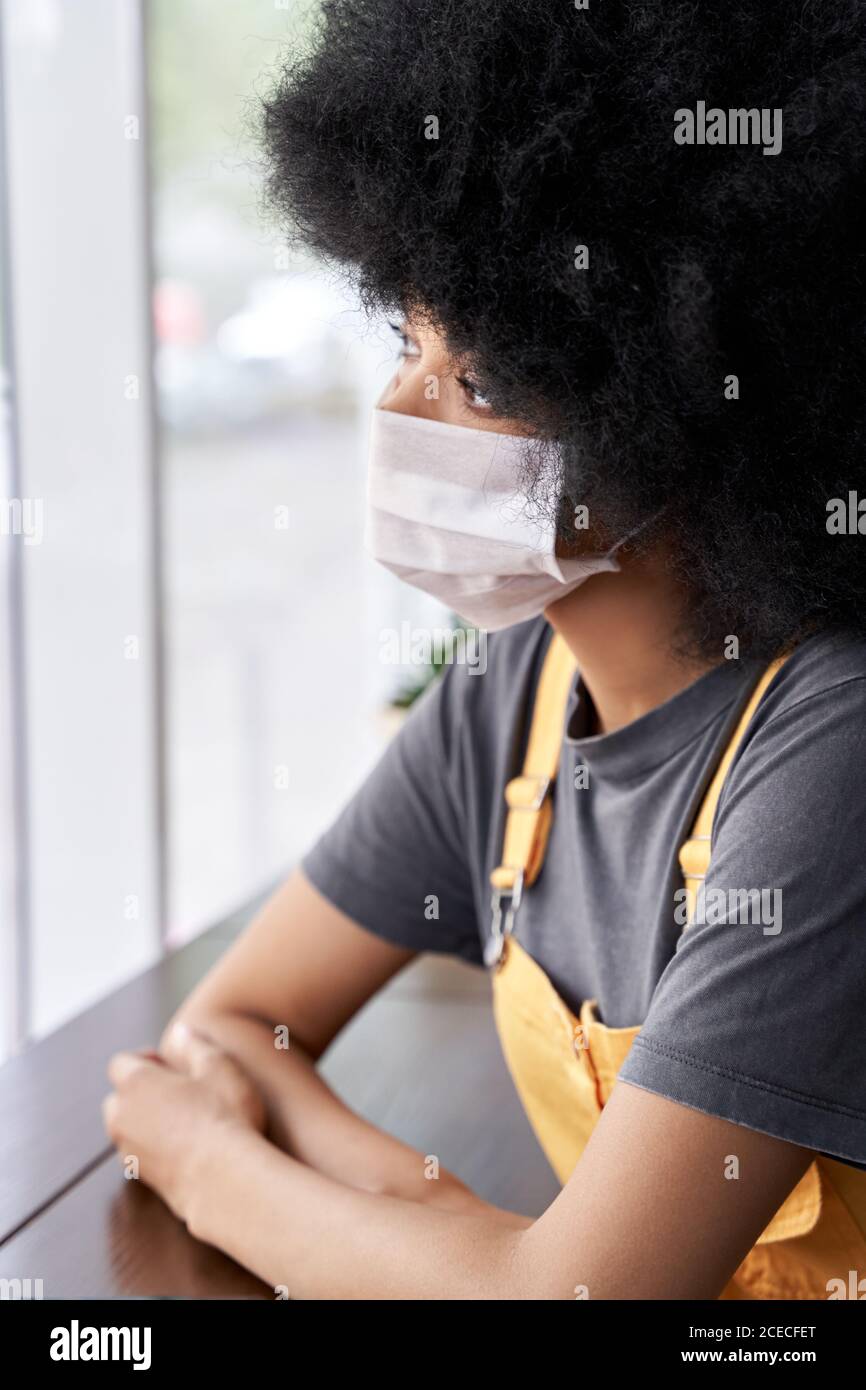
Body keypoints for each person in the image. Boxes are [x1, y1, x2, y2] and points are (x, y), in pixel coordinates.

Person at [102, 1, 866, 1299]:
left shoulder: (831, 743)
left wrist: (210, 1166)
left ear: (682, 408)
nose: (401, 407)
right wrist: (450, 1225)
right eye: (409, 339)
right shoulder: (514, 688)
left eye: (483, 378)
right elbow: (224, 1028)